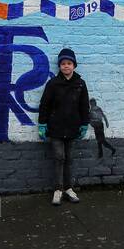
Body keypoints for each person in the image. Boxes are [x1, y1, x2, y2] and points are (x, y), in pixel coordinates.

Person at [37, 48, 90, 205]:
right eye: (63, 64)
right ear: (59, 66)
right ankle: (58, 190)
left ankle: (68, 188)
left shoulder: (80, 84)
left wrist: (84, 124)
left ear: (74, 65)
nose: (66, 66)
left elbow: (84, 106)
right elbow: (44, 105)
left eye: (69, 63)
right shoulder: (53, 84)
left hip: (73, 128)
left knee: (69, 159)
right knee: (59, 158)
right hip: (56, 128)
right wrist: (42, 124)